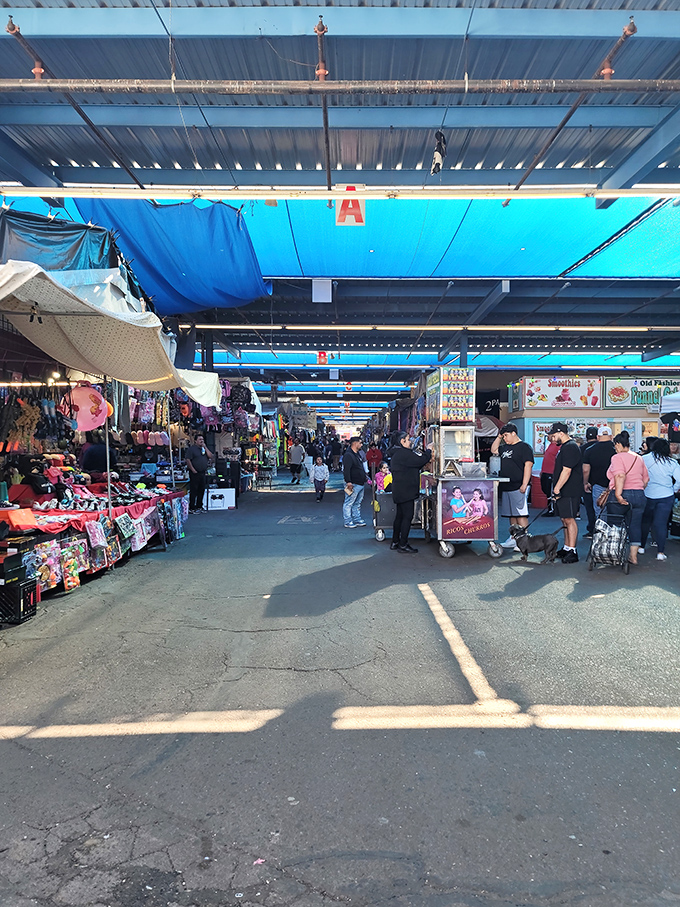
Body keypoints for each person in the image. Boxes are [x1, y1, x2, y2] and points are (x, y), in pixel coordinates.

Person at [606, 431, 649, 566]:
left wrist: (618, 495)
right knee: (635, 525)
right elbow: (646, 480)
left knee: (615, 525)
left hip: (622, 493)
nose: (615, 449)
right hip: (639, 495)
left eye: (615, 446)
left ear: (618, 444)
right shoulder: (638, 457)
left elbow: (620, 476)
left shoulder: (617, 458)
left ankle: (615, 555)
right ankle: (633, 557)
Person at [490, 423, 534, 549]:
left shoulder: (524, 447)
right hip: (507, 485)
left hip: (518, 485)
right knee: (511, 514)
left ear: (514, 433)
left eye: (506, 435)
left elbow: (528, 465)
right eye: (503, 436)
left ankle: (524, 539)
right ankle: (514, 538)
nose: (505, 438)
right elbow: (493, 450)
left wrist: (525, 484)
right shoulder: (504, 447)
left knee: (521, 514)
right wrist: (499, 437)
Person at [388, 431, 432, 553]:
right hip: (406, 490)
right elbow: (420, 461)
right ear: (402, 441)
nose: (410, 441)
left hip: (399, 490)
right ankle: (403, 544)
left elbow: (415, 464)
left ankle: (395, 541)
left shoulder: (397, 453)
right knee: (407, 517)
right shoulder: (404, 454)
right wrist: (428, 450)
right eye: (408, 439)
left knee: (400, 516)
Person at [549, 422, 583, 564]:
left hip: (569, 490)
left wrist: (557, 488)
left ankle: (573, 551)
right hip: (563, 490)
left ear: (561, 433)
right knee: (564, 519)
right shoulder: (564, 447)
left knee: (569, 519)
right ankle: (567, 547)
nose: (552, 438)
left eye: (554, 435)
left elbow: (567, 470)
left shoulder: (570, 447)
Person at [640, 438, 679, 561]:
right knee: (661, 524)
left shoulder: (644, 459)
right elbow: (679, 479)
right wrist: (673, 489)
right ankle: (660, 552)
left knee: (645, 521)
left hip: (647, 494)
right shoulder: (672, 463)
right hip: (665, 496)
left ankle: (641, 547)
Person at [582, 425, 616, 523]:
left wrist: (585, 483)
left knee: (600, 512)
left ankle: (602, 535)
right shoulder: (616, 449)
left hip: (597, 485)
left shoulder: (589, 450)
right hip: (616, 485)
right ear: (611, 436)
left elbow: (585, 470)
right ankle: (616, 534)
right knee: (617, 512)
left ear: (598, 437)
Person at [342, 436, 367, 529]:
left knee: (357, 503)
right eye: (360, 443)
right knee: (349, 502)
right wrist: (348, 481)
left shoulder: (357, 454)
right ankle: (348, 520)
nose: (361, 445)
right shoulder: (348, 455)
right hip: (353, 483)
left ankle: (357, 518)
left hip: (360, 483)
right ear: (355, 443)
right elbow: (346, 469)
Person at [185, 433, 212, 513]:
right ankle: (192, 507)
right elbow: (188, 459)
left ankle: (199, 506)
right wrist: (192, 469)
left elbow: (210, 456)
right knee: (194, 490)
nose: (201, 441)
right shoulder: (192, 449)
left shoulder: (204, 449)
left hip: (203, 472)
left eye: (202, 440)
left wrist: (205, 447)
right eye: (200, 439)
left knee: (201, 490)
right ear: (195, 441)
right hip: (194, 472)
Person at [580, 427, 598, 538]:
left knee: (590, 508)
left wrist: (584, 482)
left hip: (588, 482)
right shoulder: (607, 447)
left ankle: (592, 529)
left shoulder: (582, 449)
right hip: (604, 482)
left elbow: (583, 469)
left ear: (586, 437)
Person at [540, 433, 560, 517]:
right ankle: (551, 508)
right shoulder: (550, 445)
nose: (548, 437)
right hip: (545, 471)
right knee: (545, 490)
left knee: (550, 490)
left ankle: (552, 509)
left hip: (552, 472)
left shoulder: (559, 446)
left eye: (550, 435)